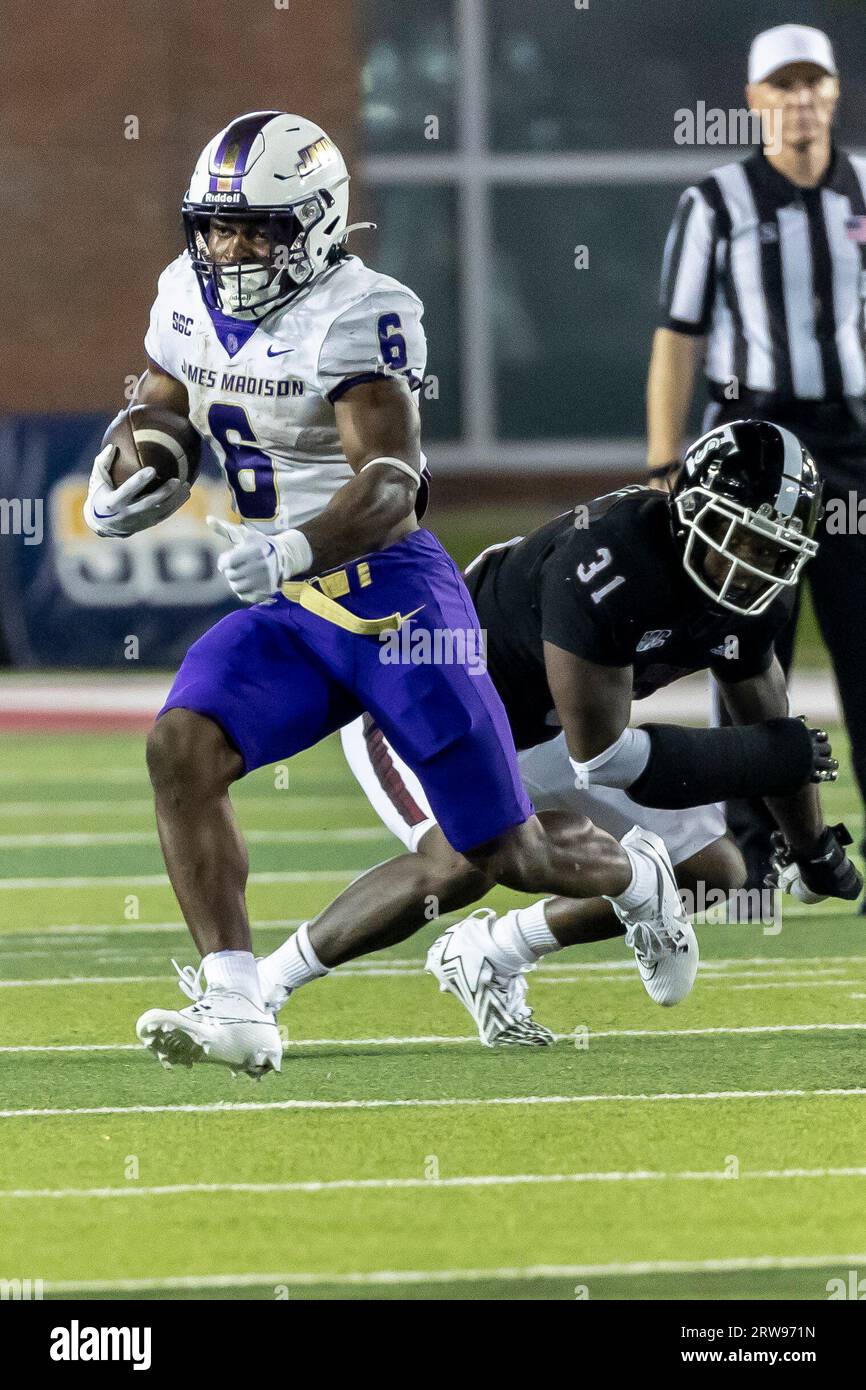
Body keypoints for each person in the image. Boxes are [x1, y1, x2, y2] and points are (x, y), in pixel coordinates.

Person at [84, 111, 691, 1078]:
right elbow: (166, 404)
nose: (229, 248)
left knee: (502, 853)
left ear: (318, 225)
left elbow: (392, 484)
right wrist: (134, 466)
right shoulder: (183, 291)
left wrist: (290, 546)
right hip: (291, 611)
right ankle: (238, 1001)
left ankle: (637, 872)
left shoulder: (360, 310)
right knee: (181, 746)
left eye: (258, 229)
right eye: (216, 225)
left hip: (395, 606)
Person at [252, 419, 861, 1046]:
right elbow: (604, 759)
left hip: (546, 728)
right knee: (465, 859)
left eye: (773, 550)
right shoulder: (609, 561)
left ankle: (491, 951)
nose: (750, 567)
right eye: (739, 538)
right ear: (690, 514)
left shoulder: (760, 597)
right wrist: (760, 758)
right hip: (427, 704)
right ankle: (260, 987)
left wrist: (812, 847)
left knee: (712, 868)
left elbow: (771, 728)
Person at [646, 24, 866, 892]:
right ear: (756, 101)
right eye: (785, 85)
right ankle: (754, 849)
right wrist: (666, 456)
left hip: (852, 440)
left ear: (836, 93)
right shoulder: (717, 202)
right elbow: (678, 334)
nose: (802, 99)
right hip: (754, 447)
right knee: (745, 647)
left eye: (815, 83)